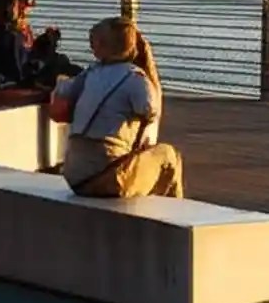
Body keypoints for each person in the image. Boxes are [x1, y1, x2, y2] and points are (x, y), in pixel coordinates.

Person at [55, 17, 183, 199]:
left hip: (75, 177)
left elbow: (64, 90)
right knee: (168, 156)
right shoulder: (135, 79)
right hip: (107, 178)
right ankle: (173, 216)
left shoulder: (90, 74)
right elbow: (152, 110)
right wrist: (148, 62)